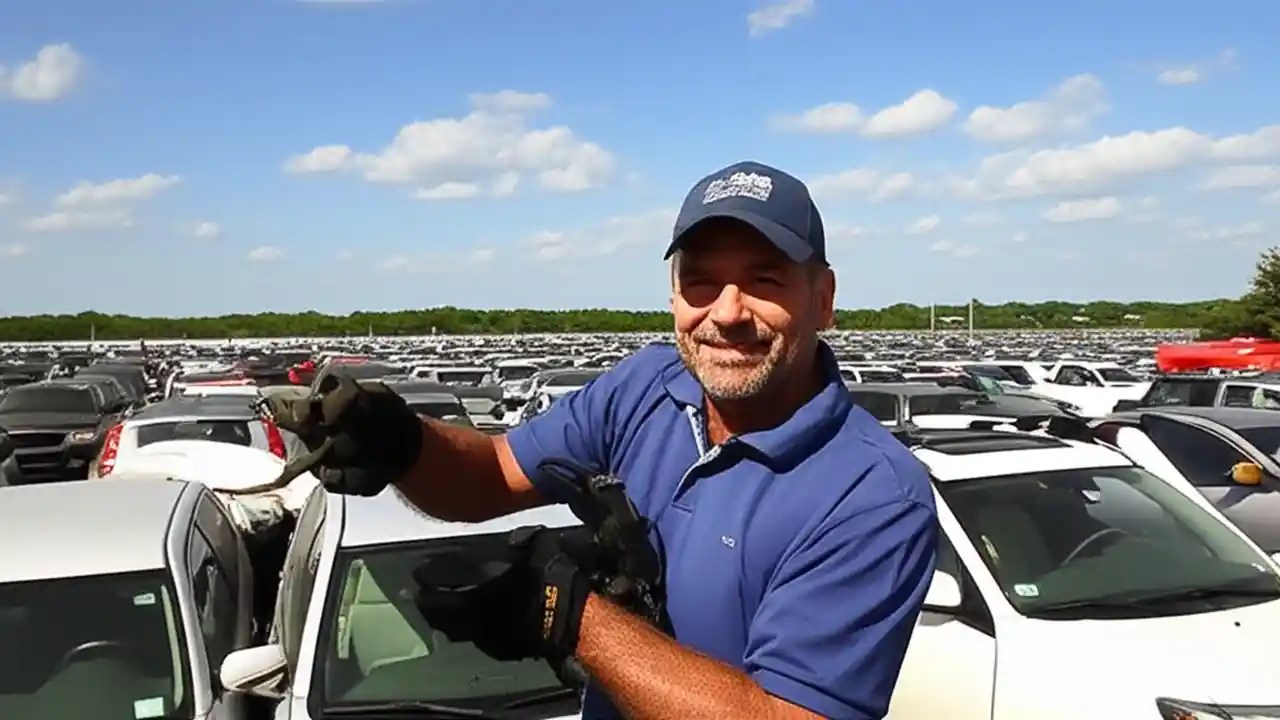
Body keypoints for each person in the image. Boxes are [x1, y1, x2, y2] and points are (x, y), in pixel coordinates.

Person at [279, 160, 938, 720]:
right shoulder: (646, 387)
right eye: (700, 281)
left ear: (822, 299)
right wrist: (402, 444)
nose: (727, 312)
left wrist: (573, 617)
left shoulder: (873, 493)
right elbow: (495, 472)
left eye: (765, 281)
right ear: (674, 295)